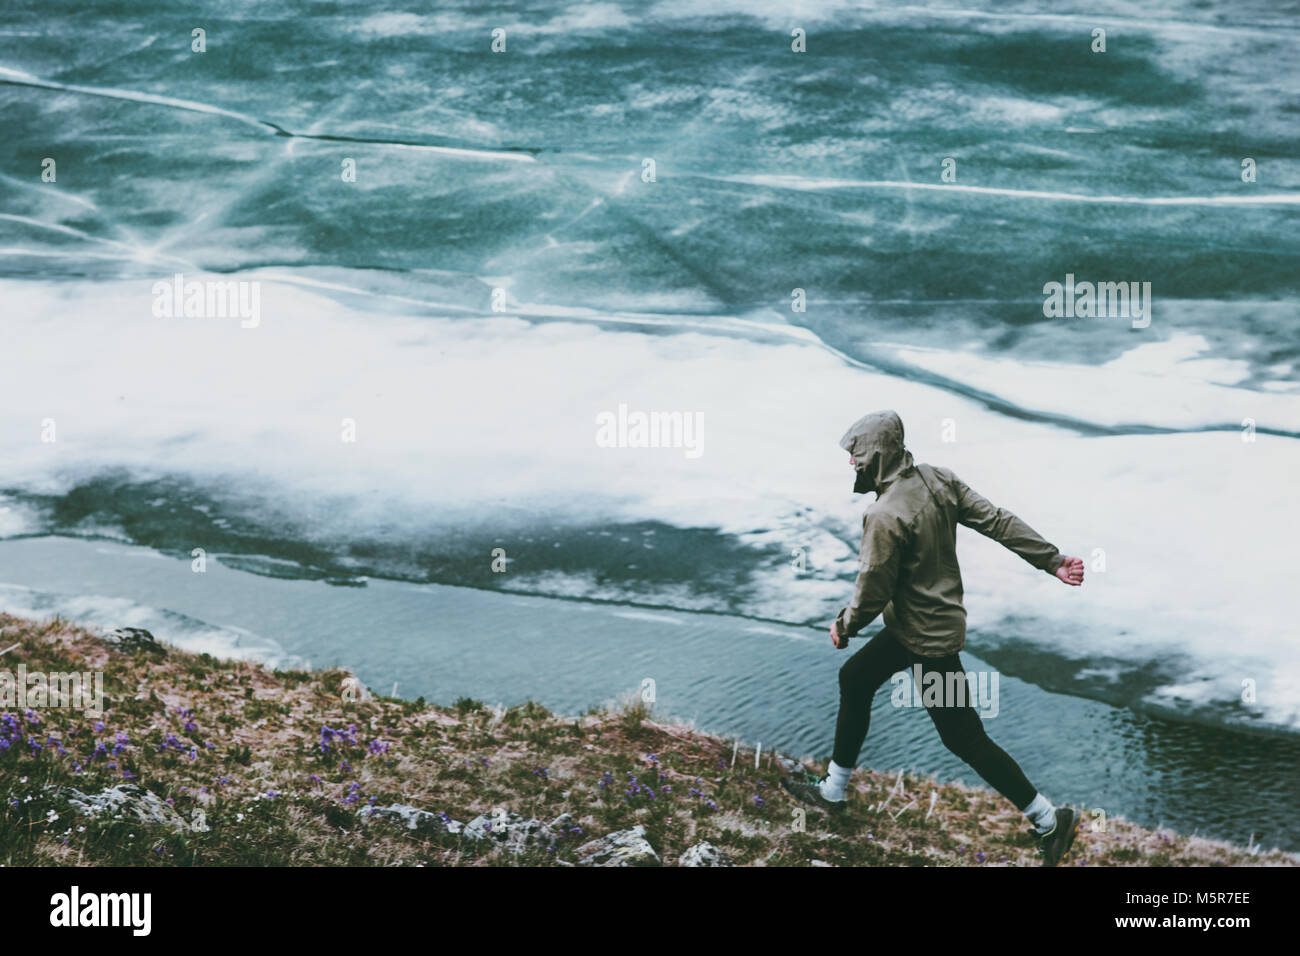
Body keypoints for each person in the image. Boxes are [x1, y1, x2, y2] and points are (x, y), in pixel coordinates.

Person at [781, 410, 1086, 866]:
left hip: (925, 642)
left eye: (856, 453)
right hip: (916, 628)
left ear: (878, 455)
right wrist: (1052, 560)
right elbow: (998, 520)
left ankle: (1050, 821)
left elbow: (873, 587)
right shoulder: (937, 479)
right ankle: (833, 790)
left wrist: (844, 625)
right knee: (857, 679)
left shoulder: (884, 515)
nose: (851, 464)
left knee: (964, 738)